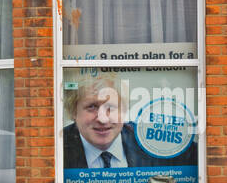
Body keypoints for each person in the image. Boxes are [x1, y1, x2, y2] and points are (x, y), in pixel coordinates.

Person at [61, 73, 196, 171]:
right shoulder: (58, 150)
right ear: (73, 111)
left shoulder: (150, 140)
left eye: (111, 107)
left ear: (124, 110)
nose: (103, 118)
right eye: (92, 107)